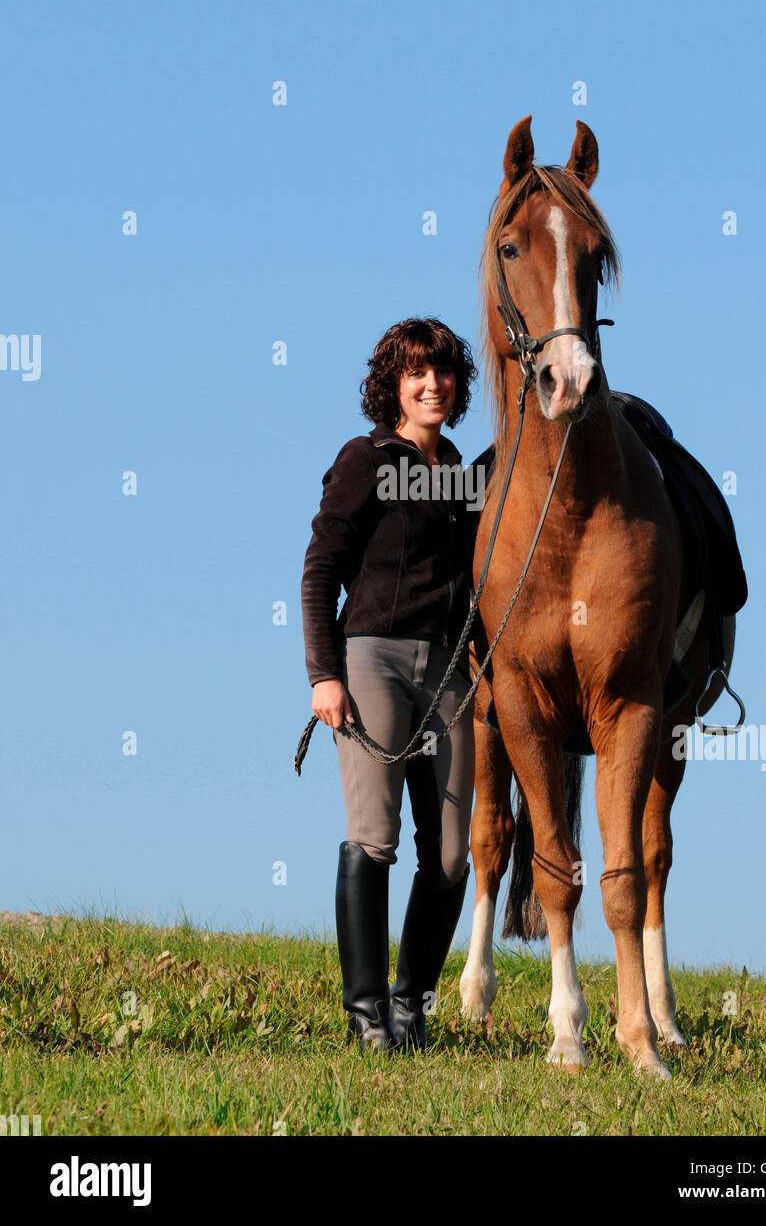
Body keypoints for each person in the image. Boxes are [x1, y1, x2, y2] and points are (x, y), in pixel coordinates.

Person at [301, 317, 482, 1053]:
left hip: (445, 670)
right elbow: (318, 572)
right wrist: (323, 674)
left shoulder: (464, 476)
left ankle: (411, 1006)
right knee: (373, 838)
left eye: (441, 372)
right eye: (416, 373)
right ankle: (366, 1016)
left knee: (447, 856)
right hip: (369, 658)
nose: (431, 384)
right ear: (393, 387)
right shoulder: (364, 459)